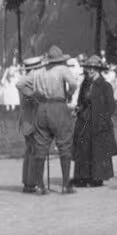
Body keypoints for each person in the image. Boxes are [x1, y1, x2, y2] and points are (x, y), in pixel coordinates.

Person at [20, 47, 80, 195]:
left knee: (40, 147)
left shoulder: (38, 71)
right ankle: (66, 185)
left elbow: (20, 84)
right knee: (64, 145)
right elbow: (73, 84)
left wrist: (33, 94)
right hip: (58, 106)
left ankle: (40, 185)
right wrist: (70, 94)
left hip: (42, 108)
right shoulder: (62, 69)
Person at [72, 55, 117, 188]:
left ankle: (97, 177)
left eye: (93, 69)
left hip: (99, 123)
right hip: (85, 120)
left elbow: (111, 106)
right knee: (84, 148)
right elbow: (81, 101)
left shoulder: (105, 86)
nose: (90, 71)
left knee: (98, 150)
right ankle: (83, 177)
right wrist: (79, 109)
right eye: (88, 68)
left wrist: (103, 119)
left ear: (99, 70)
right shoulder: (85, 84)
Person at [17, 55, 44, 193]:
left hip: (28, 121)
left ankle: (28, 181)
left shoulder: (27, 84)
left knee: (30, 151)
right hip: (31, 121)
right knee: (34, 151)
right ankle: (31, 182)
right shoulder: (27, 85)